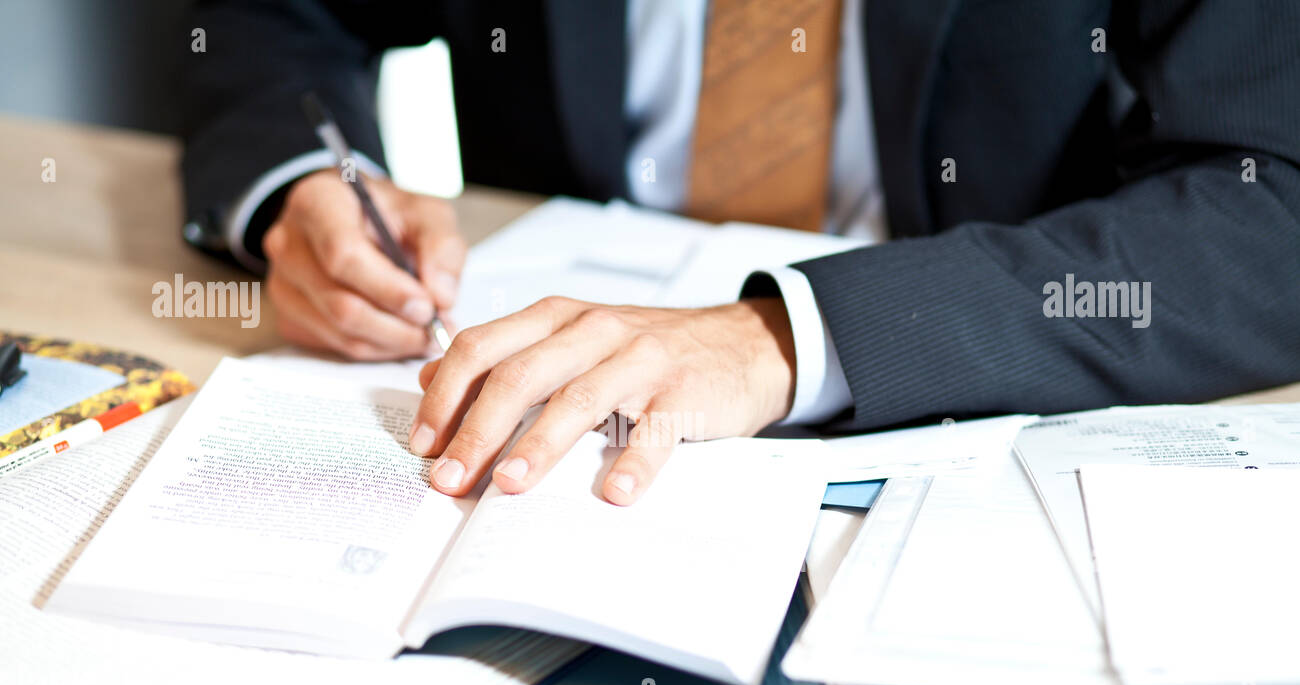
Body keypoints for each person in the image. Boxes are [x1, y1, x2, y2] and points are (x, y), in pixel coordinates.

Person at [181, 0, 1300, 505]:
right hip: (559, 400)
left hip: (980, 414)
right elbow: (271, 13)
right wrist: (301, 185)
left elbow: (1270, 205)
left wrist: (786, 336)